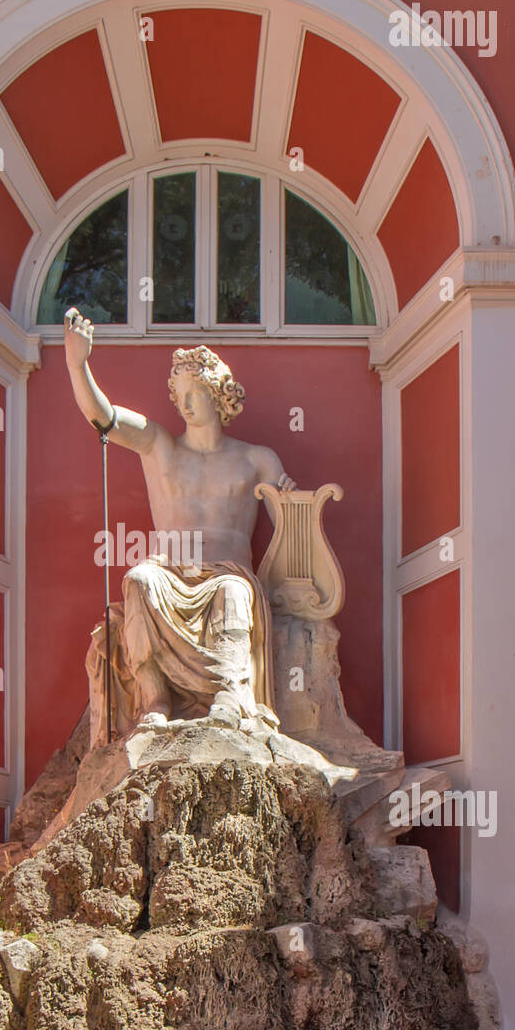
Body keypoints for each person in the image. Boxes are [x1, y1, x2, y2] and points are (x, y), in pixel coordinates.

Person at [63, 308, 296, 744]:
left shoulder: (256, 459)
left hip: (228, 573)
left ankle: (229, 695)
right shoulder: (159, 445)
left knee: (232, 593)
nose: (185, 404)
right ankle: (156, 700)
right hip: (171, 570)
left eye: (195, 394)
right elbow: (104, 416)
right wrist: (79, 364)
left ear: (218, 395)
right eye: (180, 395)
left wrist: (287, 497)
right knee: (138, 579)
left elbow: (289, 532)